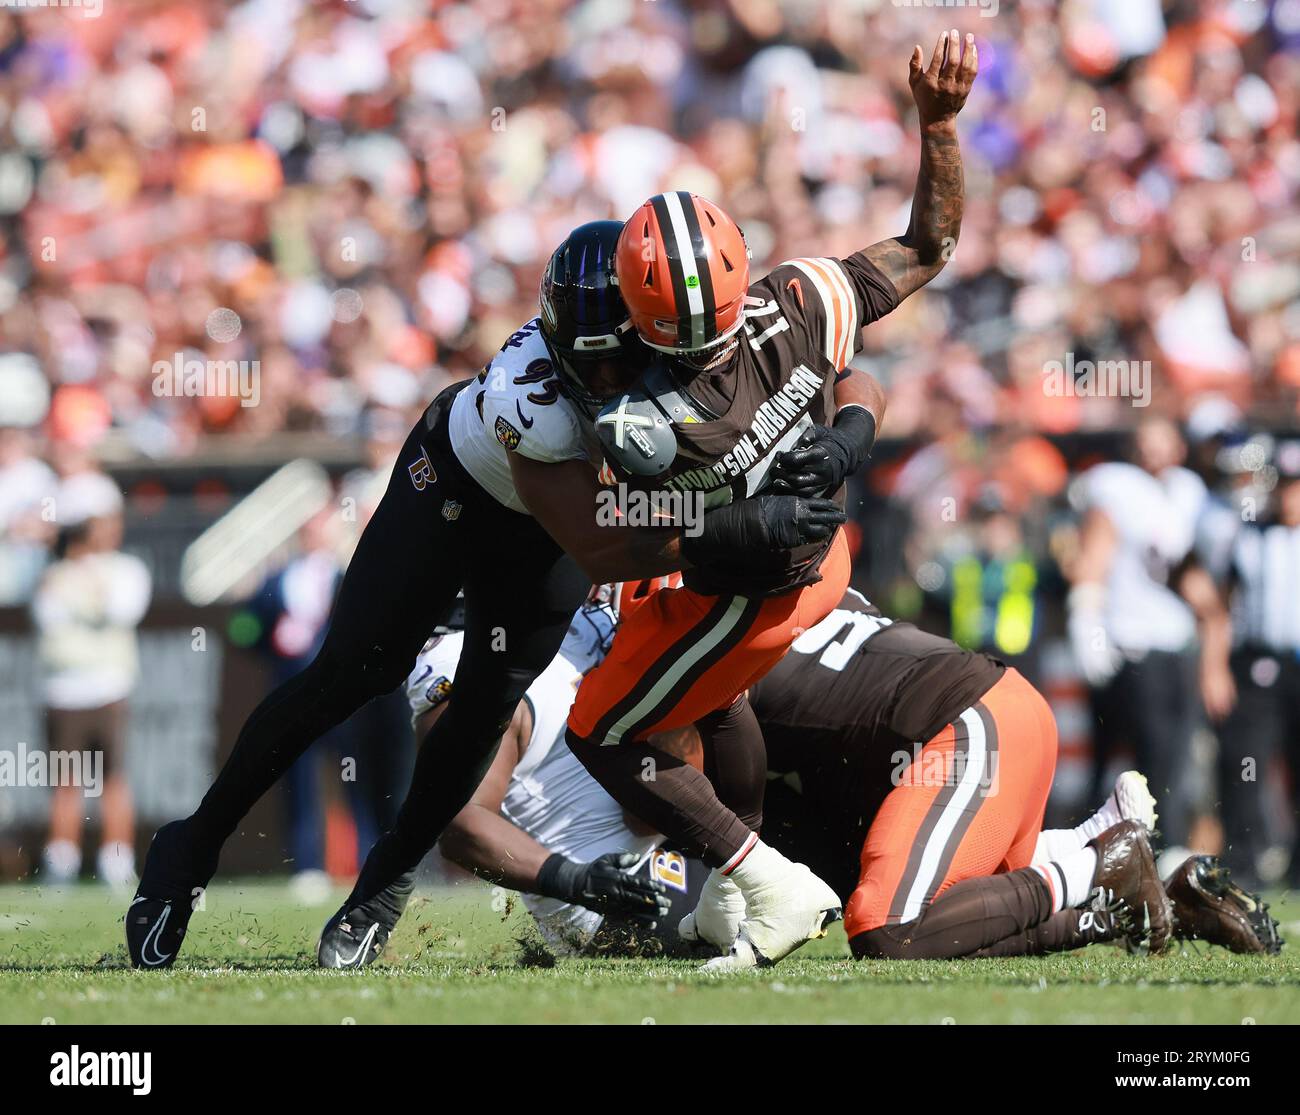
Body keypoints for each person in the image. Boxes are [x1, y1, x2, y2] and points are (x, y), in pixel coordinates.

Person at [126, 219, 804, 968]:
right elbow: (605, 539)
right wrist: (737, 522)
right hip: (459, 495)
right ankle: (191, 845)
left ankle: (381, 885)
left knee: (485, 707)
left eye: (620, 362)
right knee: (352, 672)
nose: (607, 384)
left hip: (554, 532)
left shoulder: (671, 346)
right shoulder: (533, 390)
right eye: (593, 367)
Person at [555, 32, 976, 969]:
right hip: (768, 563)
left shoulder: (719, 360)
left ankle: (765, 879)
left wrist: (845, 442)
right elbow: (617, 535)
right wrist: (742, 516)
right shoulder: (756, 326)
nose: (700, 359)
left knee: (603, 727)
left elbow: (927, 247)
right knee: (713, 699)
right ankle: (724, 888)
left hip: (762, 588)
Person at [392, 583, 1280, 962]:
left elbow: (716, 736)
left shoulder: (660, 631)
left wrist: (733, 853)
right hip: (954, 736)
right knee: (837, 873)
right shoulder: (669, 611)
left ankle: (1088, 870)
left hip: (966, 732)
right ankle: (1130, 875)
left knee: (886, 928)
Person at [1067, 415, 1232, 861]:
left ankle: (1170, 849)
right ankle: (1139, 853)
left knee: (1179, 756)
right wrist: (1086, 621)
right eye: (1146, 442)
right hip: (1134, 641)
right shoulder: (1116, 487)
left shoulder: (1187, 492)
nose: (1155, 452)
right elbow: (1093, 557)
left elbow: (1189, 573)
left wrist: (1214, 631)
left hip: (1178, 643)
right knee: (1143, 755)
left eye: (1163, 441)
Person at [32, 470, 151, 887]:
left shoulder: (125, 569)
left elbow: (120, 609)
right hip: (64, 688)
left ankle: (115, 860)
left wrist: (81, 576)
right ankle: (61, 859)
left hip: (109, 686)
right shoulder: (53, 573)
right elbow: (50, 619)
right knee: (66, 780)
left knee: (113, 778)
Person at [1204, 440, 1300, 890]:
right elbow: (1221, 608)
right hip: (1257, 664)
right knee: (1246, 762)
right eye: (1287, 487)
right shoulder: (1246, 536)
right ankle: (1242, 860)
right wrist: (1214, 668)